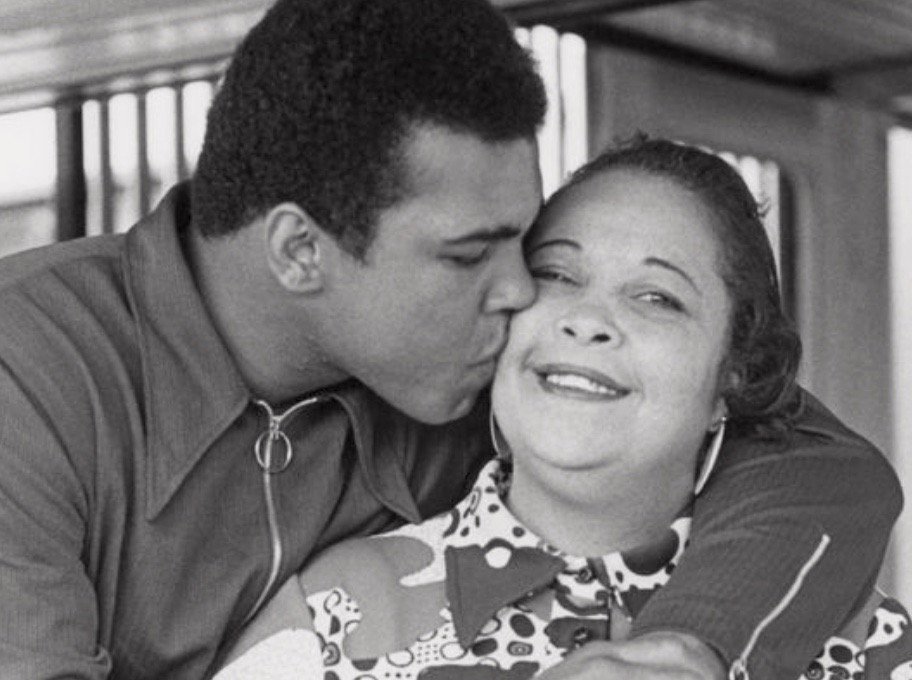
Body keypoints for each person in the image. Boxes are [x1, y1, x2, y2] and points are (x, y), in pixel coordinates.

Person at [0, 0, 900, 678]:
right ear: (301, 249)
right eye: (473, 254)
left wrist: (687, 646)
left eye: (524, 244)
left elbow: (815, 458)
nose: (521, 295)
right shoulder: (29, 376)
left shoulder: (466, 369)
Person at [213, 138, 912, 680]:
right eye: (555, 274)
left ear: (735, 371)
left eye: (656, 297)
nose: (588, 319)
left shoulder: (856, 639)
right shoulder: (329, 618)